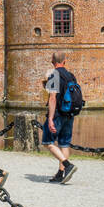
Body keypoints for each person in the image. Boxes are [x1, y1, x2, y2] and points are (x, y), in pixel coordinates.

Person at [44, 52, 79, 184]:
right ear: (65, 61)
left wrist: (50, 118)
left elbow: (53, 98)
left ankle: (67, 165)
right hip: (69, 113)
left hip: (58, 113)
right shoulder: (71, 76)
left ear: (52, 61)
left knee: (48, 142)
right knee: (64, 143)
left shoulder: (54, 74)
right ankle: (61, 173)